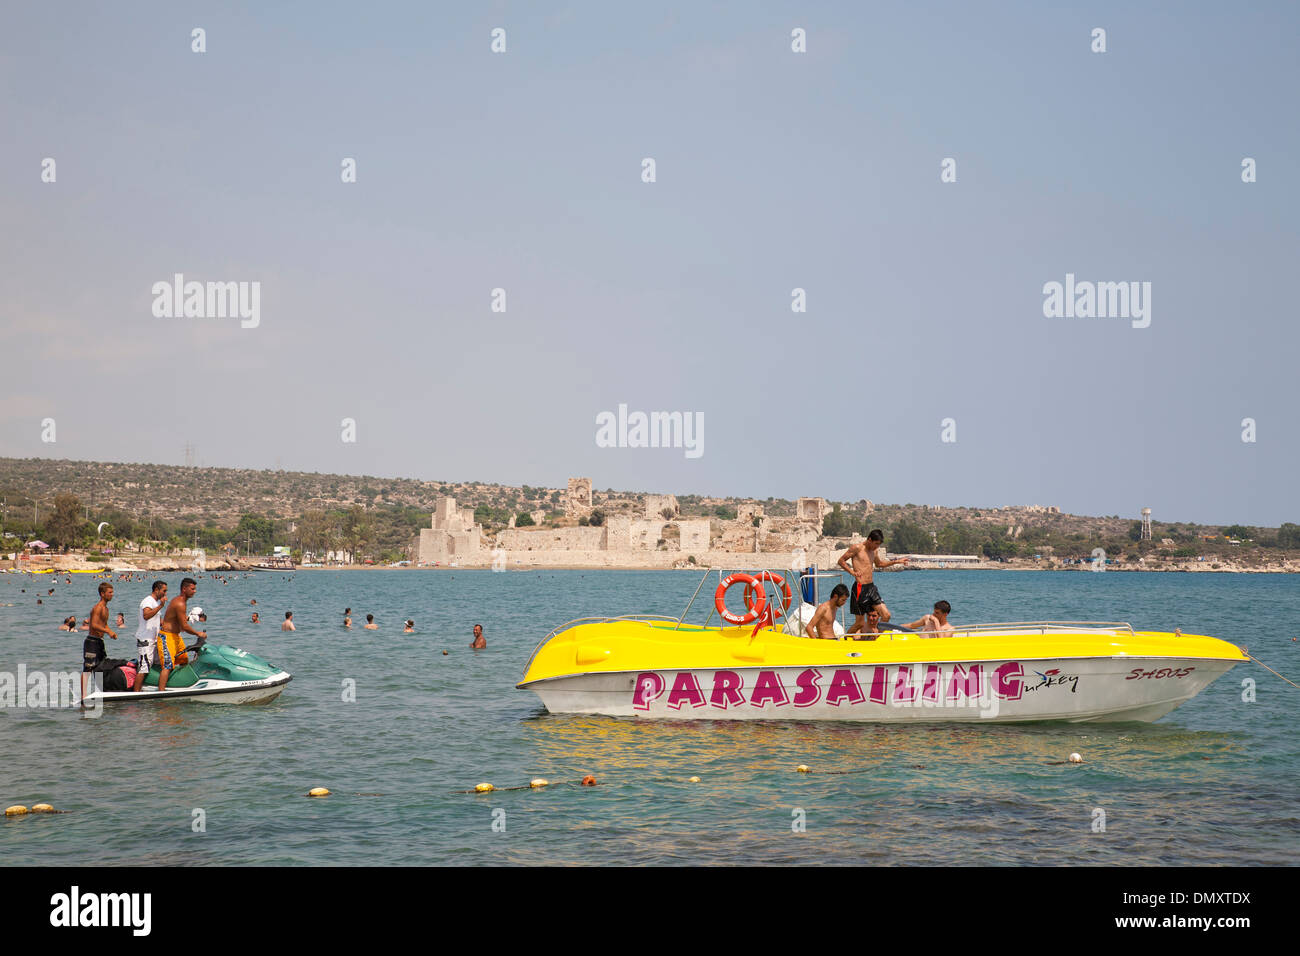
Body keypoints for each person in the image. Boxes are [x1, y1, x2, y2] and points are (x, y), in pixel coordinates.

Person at [838, 530, 909, 632]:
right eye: (876, 544)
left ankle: (875, 639)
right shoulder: (857, 548)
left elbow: (879, 564)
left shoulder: (874, 551)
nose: (877, 547)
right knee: (859, 623)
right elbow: (841, 561)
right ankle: (846, 640)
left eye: (879, 544)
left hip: (871, 587)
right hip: (859, 588)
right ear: (869, 539)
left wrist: (897, 561)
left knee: (886, 615)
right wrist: (852, 572)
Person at [157, 578, 207, 692]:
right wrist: (198, 633)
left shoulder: (182, 602)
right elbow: (185, 627)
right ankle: (161, 693)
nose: (195, 591)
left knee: (184, 661)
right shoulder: (179, 603)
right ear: (184, 589)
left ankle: (179, 685)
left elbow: (179, 622)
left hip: (176, 637)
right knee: (167, 666)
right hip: (166, 637)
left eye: (195, 589)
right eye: (192, 589)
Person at [82, 582, 119, 698]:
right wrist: (108, 631)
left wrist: (110, 632)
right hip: (91, 642)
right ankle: (83, 696)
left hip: (99, 642)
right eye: (110, 592)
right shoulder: (98, 608)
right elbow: (93, 625)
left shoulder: (106, 609)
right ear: (102, 594)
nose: (112, 594)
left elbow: (103, 624)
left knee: (100, 667)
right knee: (88, 668)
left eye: (112, 592)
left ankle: (101, 691)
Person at [132, 580, 168, 692]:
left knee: (162, 663)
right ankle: (135, 694)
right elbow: (146, 615)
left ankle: (154, 688)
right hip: (145, 640)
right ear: (156, 590)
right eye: (164, 591)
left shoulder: (155, 603)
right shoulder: (148, 601)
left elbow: (159, 621)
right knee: (144, 667)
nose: (165, 594)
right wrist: (161, 606)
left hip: (154, 641)